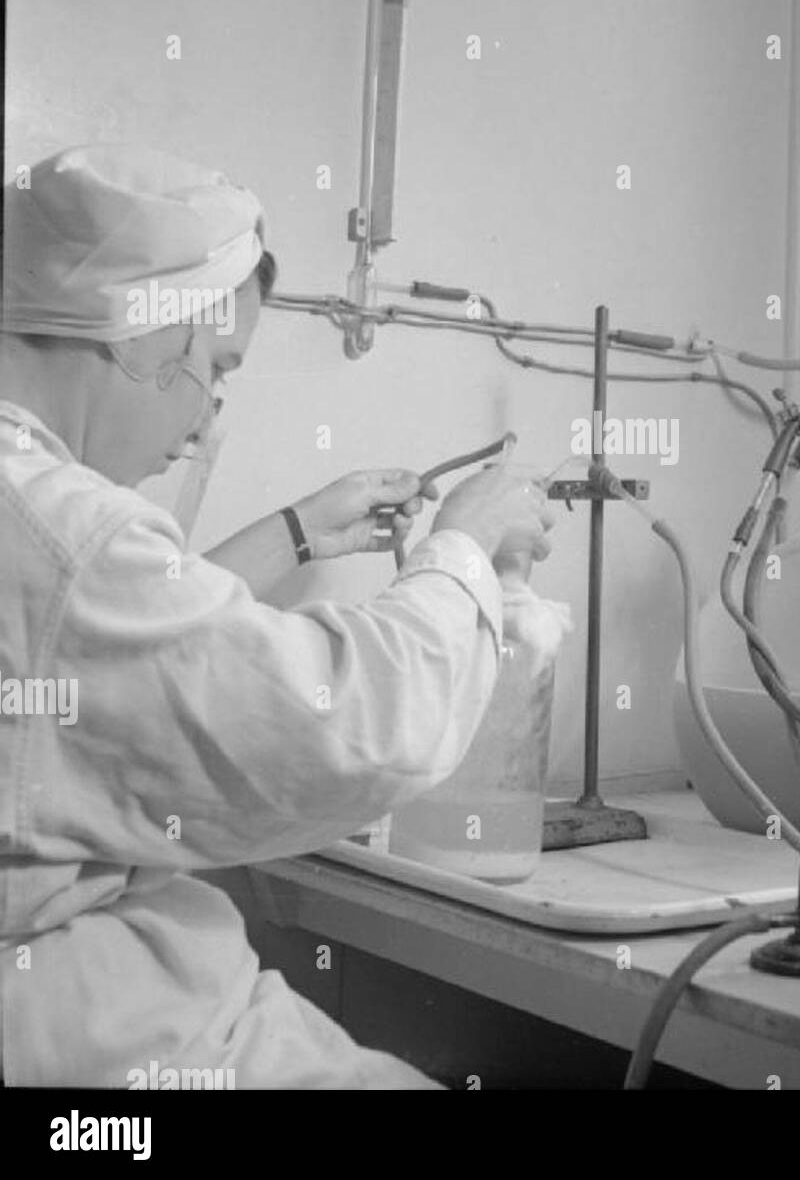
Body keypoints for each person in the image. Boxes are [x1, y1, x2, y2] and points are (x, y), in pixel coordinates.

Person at [0, 145, 555, 1087]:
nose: (209, 423)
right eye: (215, 369)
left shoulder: (37, 519)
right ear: (137, 333)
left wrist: (298, 531)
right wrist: (461, 548)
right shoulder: (57, 524)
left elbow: (93, 673)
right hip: (116, 1051)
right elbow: (348, 727)